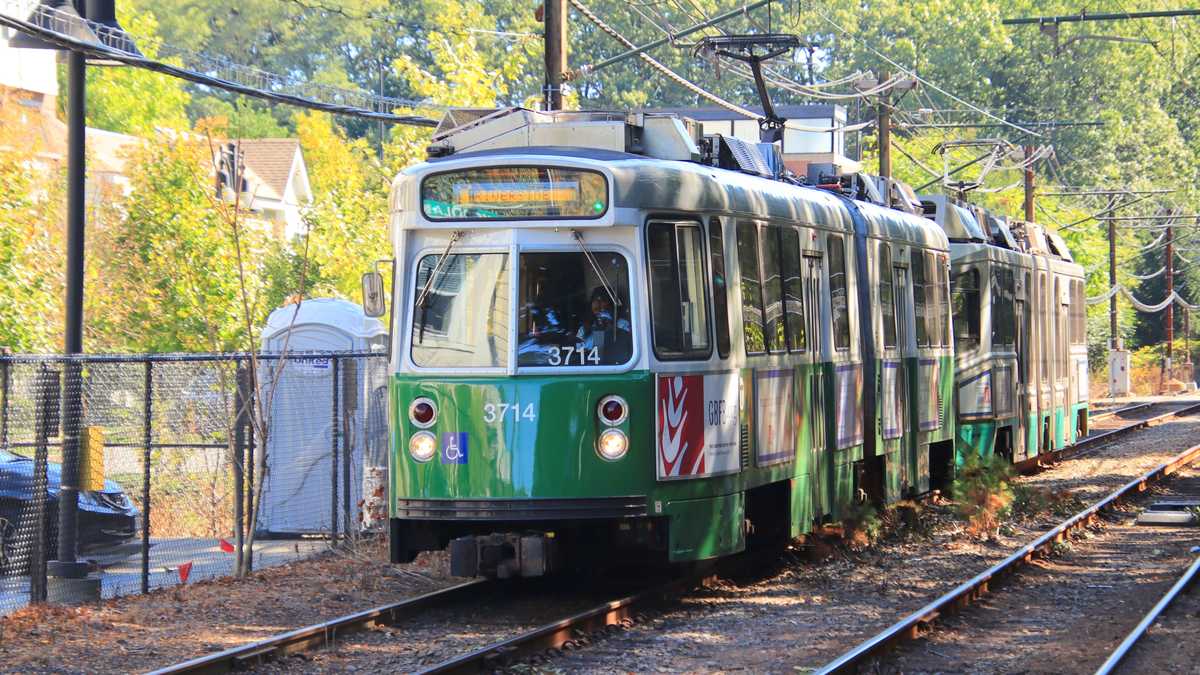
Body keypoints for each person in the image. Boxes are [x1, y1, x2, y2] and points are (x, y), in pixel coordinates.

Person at [577, 286, 632, 364]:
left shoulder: (622, 324)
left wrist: (610, 327)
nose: (598, 303)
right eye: (595, 300)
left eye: (603, 300)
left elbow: (627, 346)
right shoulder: (584, 329)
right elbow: (577, 349)